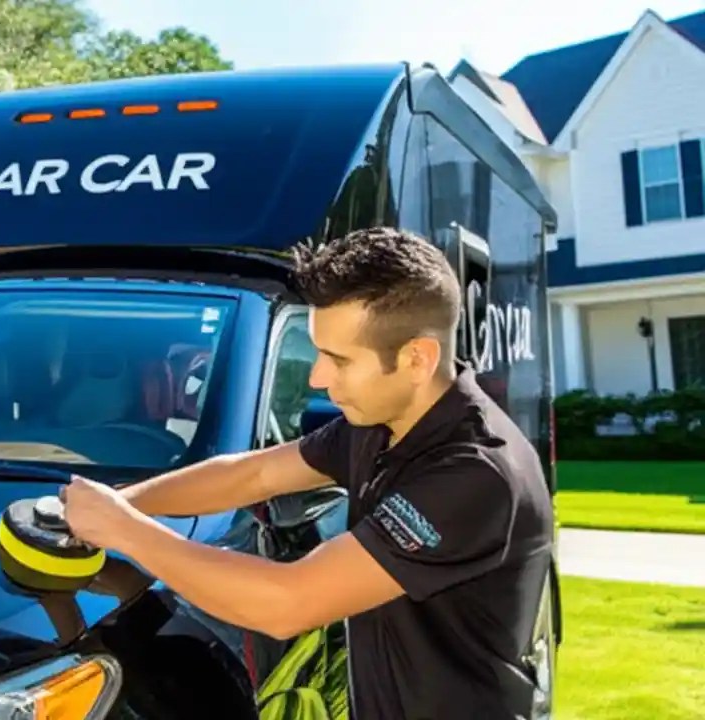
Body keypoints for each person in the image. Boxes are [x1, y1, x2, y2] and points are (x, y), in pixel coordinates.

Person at [61, 226, 555, 719]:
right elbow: (253, 475)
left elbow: (288, 603)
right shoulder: (379, 425)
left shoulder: (475, 471)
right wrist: (121, 501)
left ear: (416, 359)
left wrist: (124, 529)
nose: (318, 377)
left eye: (339, 359)